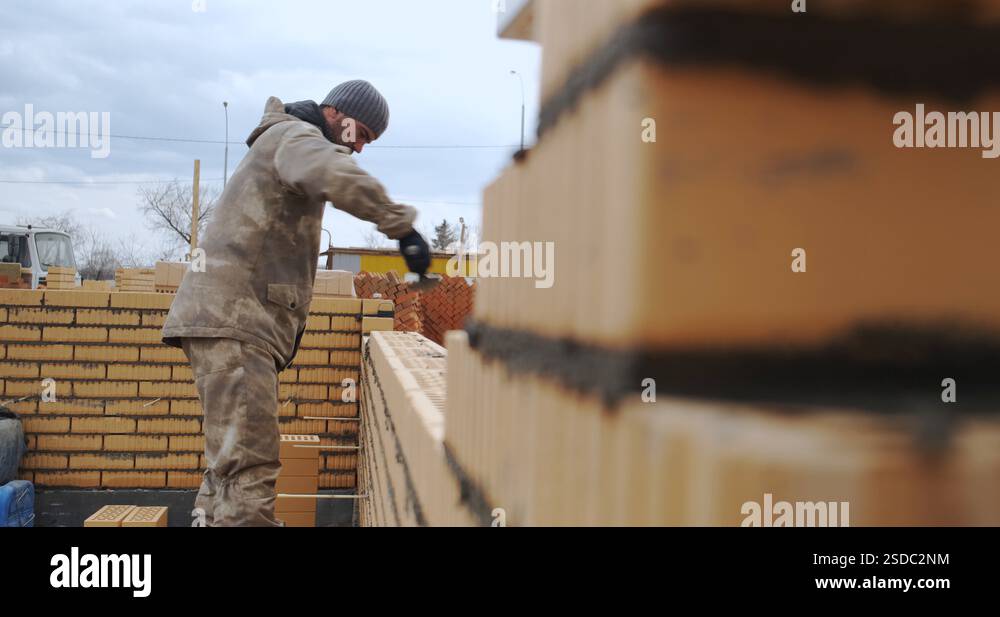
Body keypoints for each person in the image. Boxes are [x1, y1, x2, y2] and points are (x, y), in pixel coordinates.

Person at [162, 80, 431, 526]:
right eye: (361, 133)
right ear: (335, 114)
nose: (360, 148)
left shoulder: (287, 138)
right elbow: (334, 173)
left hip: (225, 320)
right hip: (236, 321)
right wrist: (400, 226)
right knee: (250, 467)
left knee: (230, 462)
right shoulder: (297, 139)